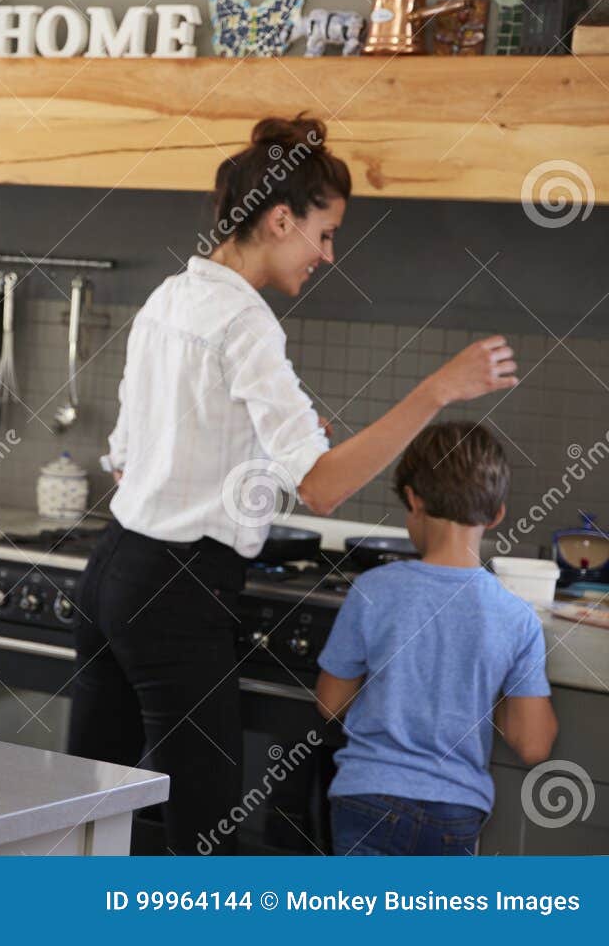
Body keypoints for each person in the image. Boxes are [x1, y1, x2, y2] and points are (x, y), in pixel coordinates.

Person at [67, 114, 521, 854]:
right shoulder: (247, 322)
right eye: (325, 232)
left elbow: (129, 459)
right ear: (281, 219)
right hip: (179, 595)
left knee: (86, 817)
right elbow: (323, 490)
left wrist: (255, 453)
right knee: (203, 837)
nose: (328, 254)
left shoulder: (170, 298)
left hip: (113, 572)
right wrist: (437, 389)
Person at [318, 422, 556, 856]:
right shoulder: (517, 618)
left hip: (367, 797)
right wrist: (484, 686)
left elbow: (330, 703)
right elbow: (534, 743)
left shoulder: (373, 589)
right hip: (455, 809)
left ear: (414, 499)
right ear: (498, 513)